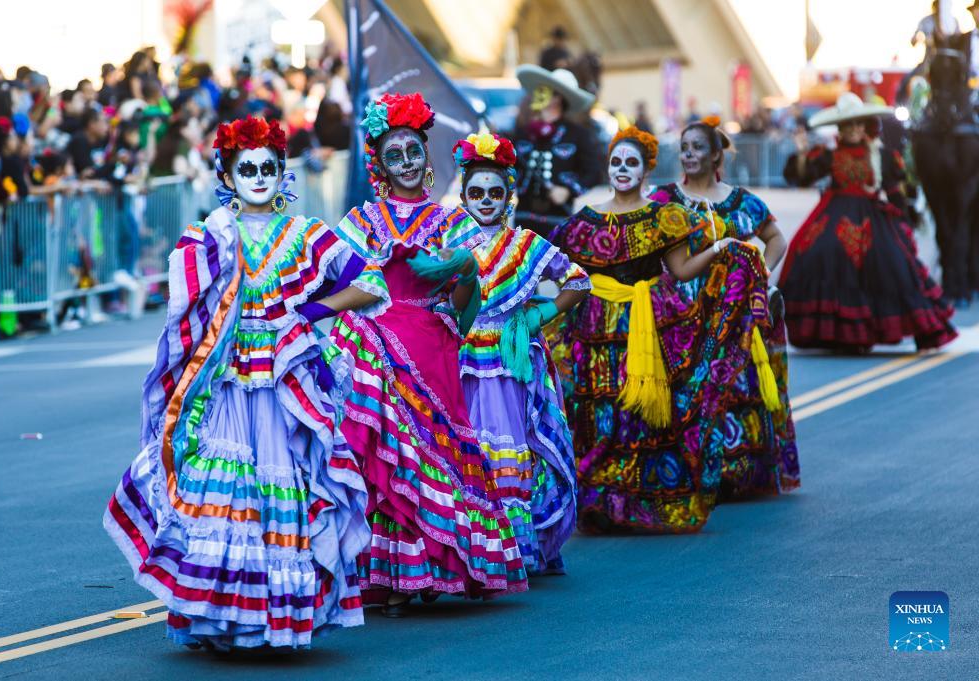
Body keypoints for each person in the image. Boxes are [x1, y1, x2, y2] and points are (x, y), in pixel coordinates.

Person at [103, 115, 387, 651]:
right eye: (246, 168)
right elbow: (184, 304)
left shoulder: (308, 234)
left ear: (284, 174)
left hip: (285, 387)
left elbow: (369, 282)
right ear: (227, 176)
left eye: (267, 168)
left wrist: (308, 311)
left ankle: (274, 621)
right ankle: (218, 620)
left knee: (283, 492)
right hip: (226, 383)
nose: (258, 177)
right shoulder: (209, 234)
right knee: (222, 497)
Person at [329, 92, 528, 616]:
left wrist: (461, 273)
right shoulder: (361, 219)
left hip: (431, 341)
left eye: (415, 151)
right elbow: (338, 274)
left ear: (426, 155)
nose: (409, 164)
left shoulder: (450, 222)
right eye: (396, 155)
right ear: (380, 164)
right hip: (374, 341)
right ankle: (386, 575)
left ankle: (433, 569)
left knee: (432, 451)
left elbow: (464, 302)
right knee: (382, 456)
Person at [549, 126, 772, 532]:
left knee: (641, 417)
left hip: (649, 325)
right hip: (595, 328)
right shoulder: (583, 221)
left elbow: (682, 269)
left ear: (645, 170)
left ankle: (636, 505)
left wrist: (720, 248)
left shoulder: (664, 217)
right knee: (599, 413)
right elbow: (563, 274)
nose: (622, 169)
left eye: (631, 163)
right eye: (616, 161)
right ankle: (600, 504)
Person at [453, 131, 589, 573]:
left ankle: (514, 546)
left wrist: (538, 315)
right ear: (463, 195)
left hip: (512, 363)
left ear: (509, 195)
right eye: (476, 192)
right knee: (467, 448)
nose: (486, 200)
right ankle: (477, 546)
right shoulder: (448, 241)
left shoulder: (526, 244)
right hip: (461, 360)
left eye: (495, 192)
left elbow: (577, 281)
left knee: (515, 445)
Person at [650, 116, 800, 500]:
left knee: (736, 384)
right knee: (688, 386)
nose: (689, 155)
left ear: (717, 154)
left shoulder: (741, 201)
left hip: (734, 314)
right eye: (684, 149)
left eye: (698, 148)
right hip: (684, 311)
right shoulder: (664, 201)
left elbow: (775, 239)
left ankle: (736, 474)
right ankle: (691, 471)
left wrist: (759, 277)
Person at [781, 93, 957, 351]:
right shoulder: (828, 156)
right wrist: (801, 153)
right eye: (847, 125)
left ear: (865, 126)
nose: (852, 129)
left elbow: (894, 191)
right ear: (840, 128)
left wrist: (904, 224)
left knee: (892, 261)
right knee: (820, 251)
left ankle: (917, 329)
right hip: (834, 212)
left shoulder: (883, 156)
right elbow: (803, 178)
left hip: (873, 217)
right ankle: (839, 336)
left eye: (857, 123)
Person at [513, 65, 601, 237]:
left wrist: (569, 190)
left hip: (558, 219)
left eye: (546, 91)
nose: (539, 95)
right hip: (524, 218)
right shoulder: (524, 132)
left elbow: (594, 173)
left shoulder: (577, 134)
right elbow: (512, 166)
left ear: (558, 97)